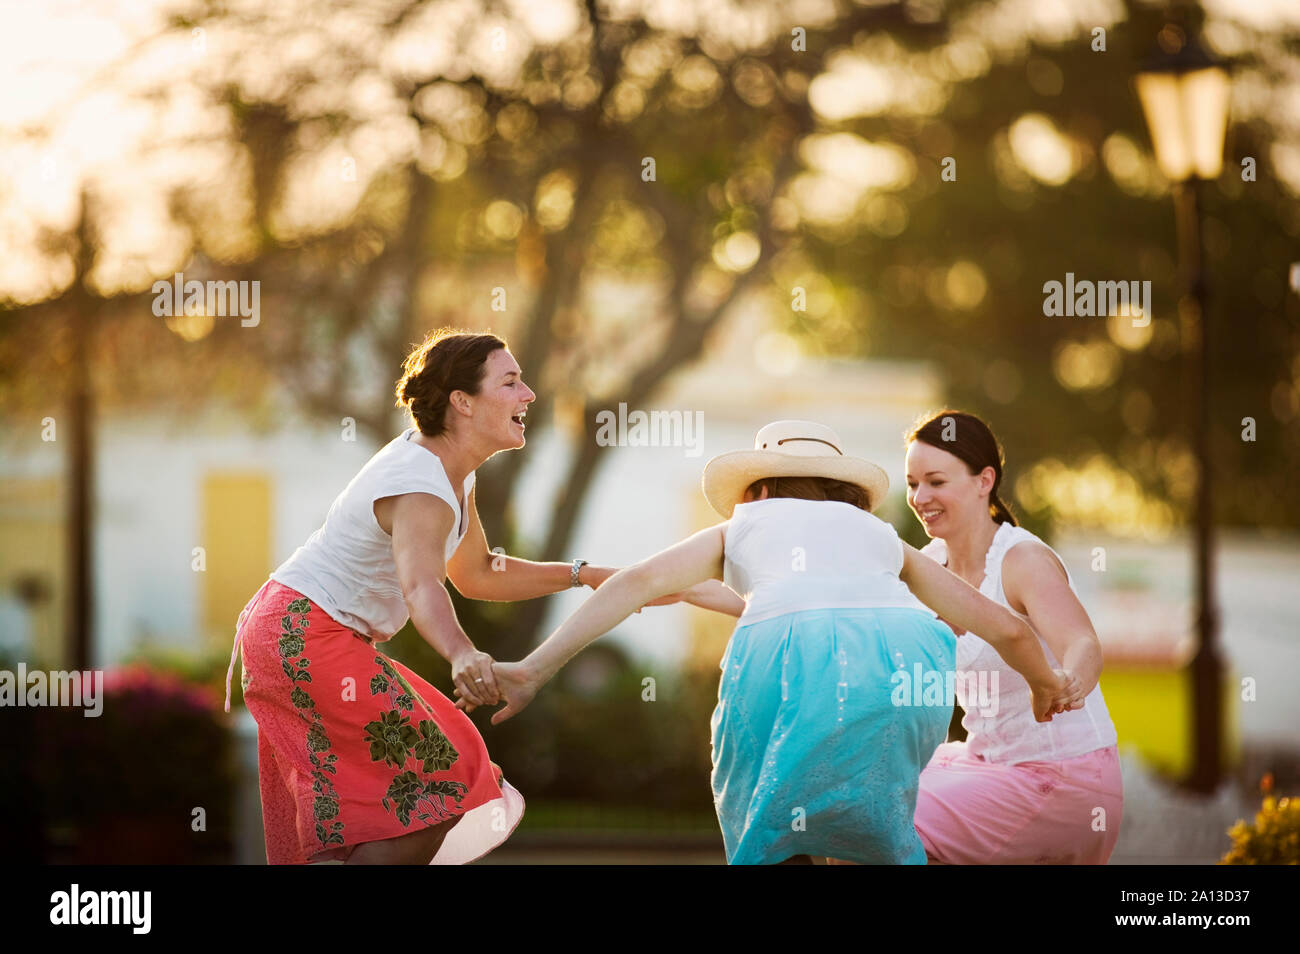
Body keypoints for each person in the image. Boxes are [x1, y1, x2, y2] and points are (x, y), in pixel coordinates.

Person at [459, 421, 1083, 864]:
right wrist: (1045, 681)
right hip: (906, 661)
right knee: (885, 826)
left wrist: (534, 669)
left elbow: (648, 581)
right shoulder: (876, 537)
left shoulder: (747, 522)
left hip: (787, 649)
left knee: (752, 804)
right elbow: (1000, 624)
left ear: (758, 488)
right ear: (845, 495)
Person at [225, 328, 627, 865]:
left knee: (365, 814)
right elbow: (421, 584)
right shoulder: (421, 483)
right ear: (462, 401)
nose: (528, 395)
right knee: (452, 774)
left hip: (295, 631)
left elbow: (478, 573)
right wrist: (462, 653)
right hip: (304, 632)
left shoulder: (447, 474)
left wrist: (582, 574)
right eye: (510, 382)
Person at [905, 410, 1123, 864]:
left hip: (1065, 777)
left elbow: (1083, 643)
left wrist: (1068, 684)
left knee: (885, 818)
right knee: (862, 801)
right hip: (988, 766)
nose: (920, 496)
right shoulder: (930, 564)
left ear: (984, 480)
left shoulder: (1021, 559)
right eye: (912, 484)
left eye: (936, 481)